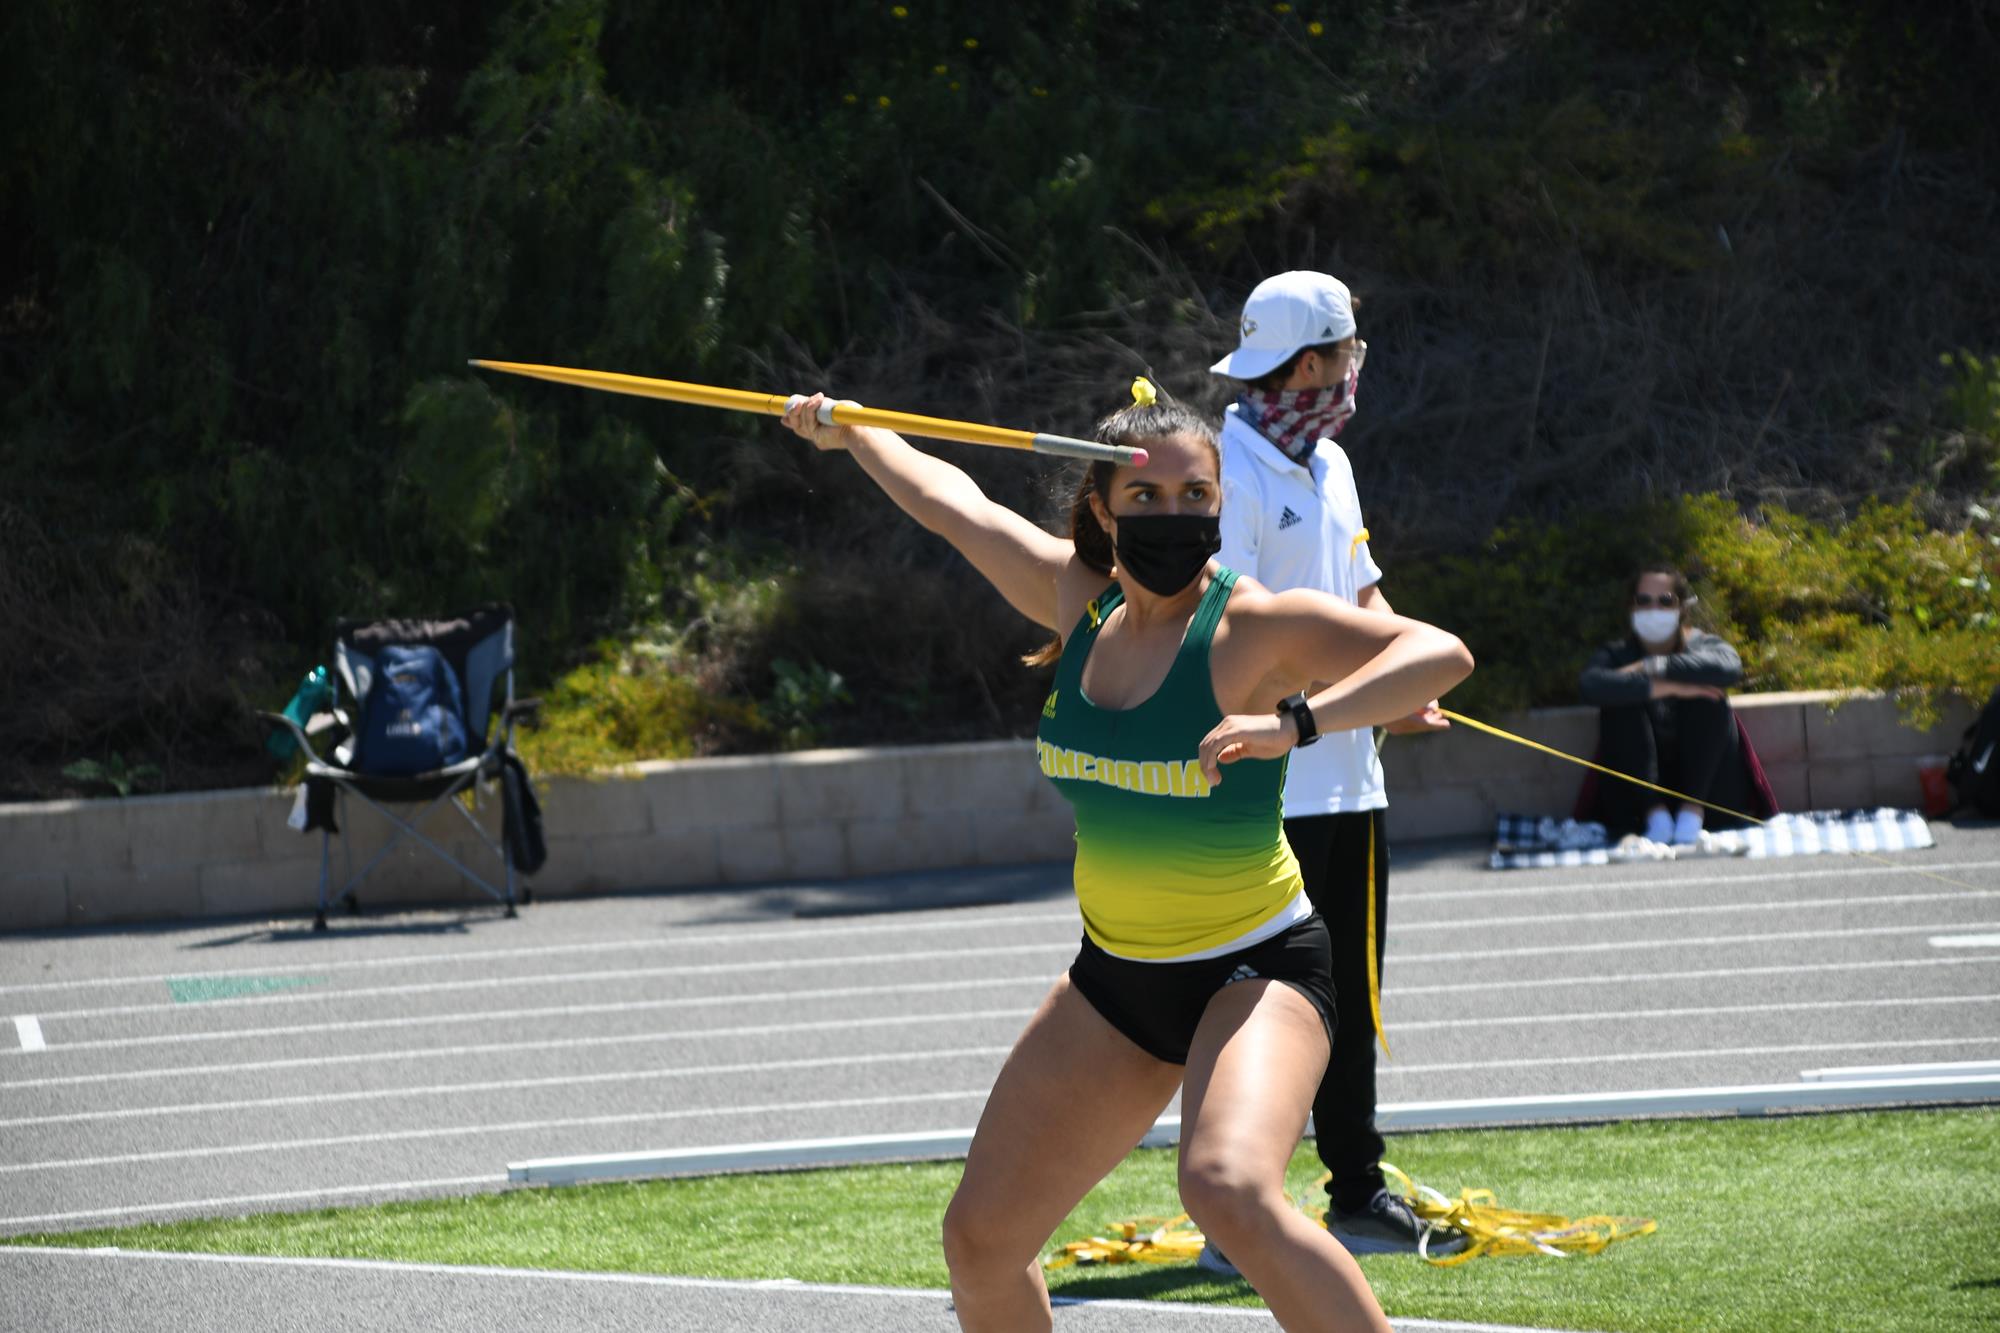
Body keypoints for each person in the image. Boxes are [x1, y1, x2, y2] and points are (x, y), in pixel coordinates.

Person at [779, 387, 1473, 1332]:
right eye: (1145, 499)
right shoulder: (1079, 605)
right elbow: (957, 505)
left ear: (1221, 503)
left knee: (1226, 1186)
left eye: (1197, 495)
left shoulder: (1250, 627)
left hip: (1258, 965)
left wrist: (1293, 723)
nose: (1175, 515)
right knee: (979, 1241)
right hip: (1117, 980)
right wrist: (853, 429)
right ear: (1103, 511)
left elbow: (1439, 652)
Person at [1204, 270, 1453, 1259]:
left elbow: (1364, 594)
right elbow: (1239, 636)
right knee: (1252, 1004)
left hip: (1350, 783)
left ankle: (1355, 1190)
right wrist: (1370, 679)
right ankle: (1232, 1210)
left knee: (1347, 998)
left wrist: (1400, 673)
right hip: (1264, 788)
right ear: (1310, 364)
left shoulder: (1329, 462)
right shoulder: (1227, 472)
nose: (1353, 370)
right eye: (1345, 354)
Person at [1578, 564, 1753, 855]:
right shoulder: (1617, 654)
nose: (1654, 608)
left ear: (1683, 607)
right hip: (1637, 803)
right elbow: (1590, 686)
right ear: (1631, 606)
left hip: (1711, 797)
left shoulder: (1703, 644)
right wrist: (1669, 687)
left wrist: (1655, 667)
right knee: (1619, 704)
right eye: (1644, 600)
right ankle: (1655, 816)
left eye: (1666, 601)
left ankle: (1691, 813)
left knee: (1707, 698)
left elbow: (1729, 668)